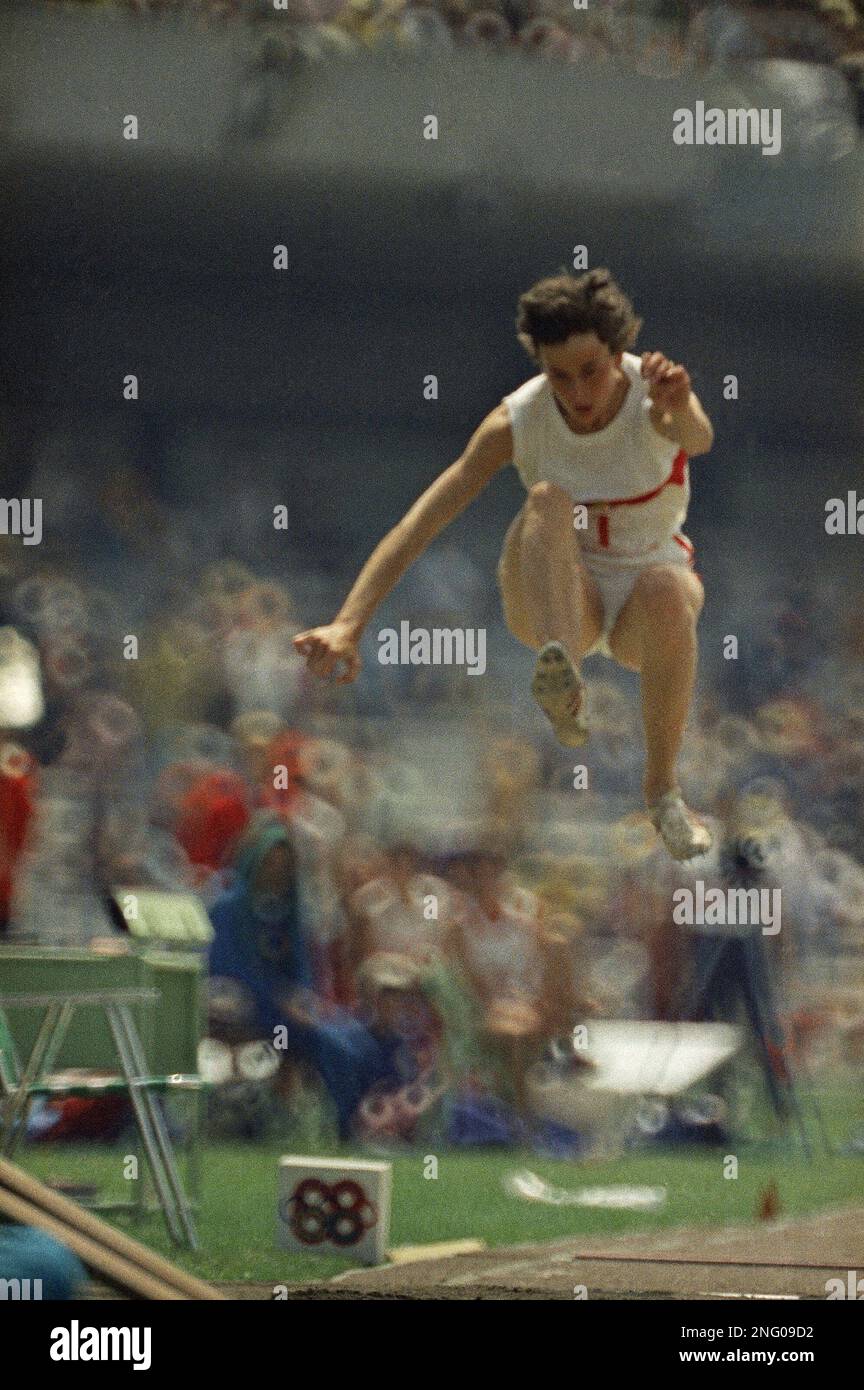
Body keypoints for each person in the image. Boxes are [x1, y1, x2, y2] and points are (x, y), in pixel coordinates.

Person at [294, 268, 715, 859]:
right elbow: (422, 521)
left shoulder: (657, 390)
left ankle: (663, 790)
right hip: (560, 592)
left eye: (591, 371)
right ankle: (560, 679)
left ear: (618, 354)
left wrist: (680, 406)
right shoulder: (519, 419)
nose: (578, 394)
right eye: (559, 376)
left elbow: (696, 437)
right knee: (546, 500)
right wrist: (349, 622)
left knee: (668, 587)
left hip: (643, 605)